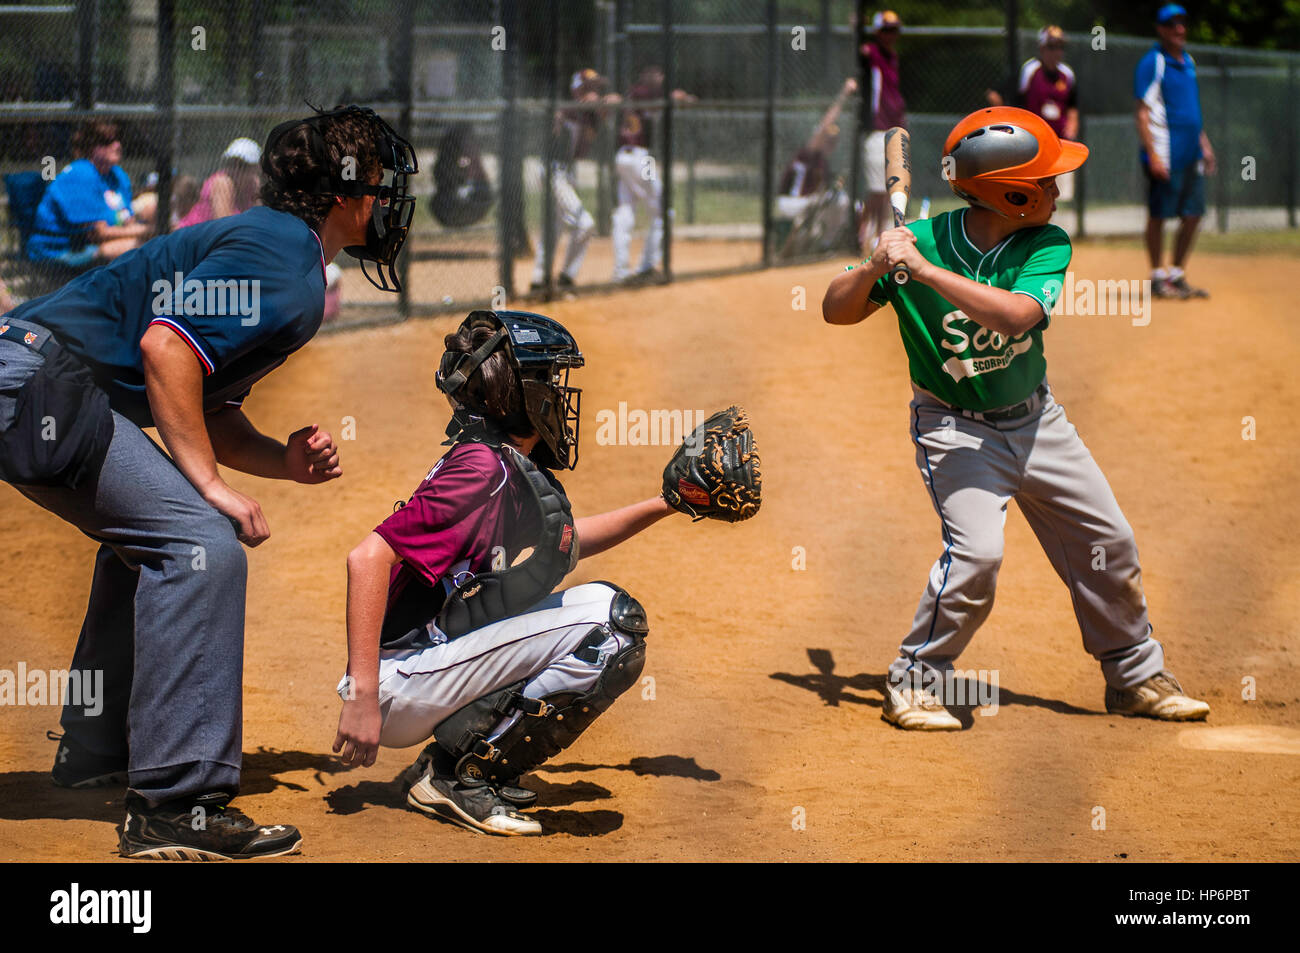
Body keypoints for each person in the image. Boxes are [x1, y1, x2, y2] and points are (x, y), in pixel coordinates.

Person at [0, 104, 418, 859]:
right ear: (343, 194)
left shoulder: (283, 251)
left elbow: (204, 403)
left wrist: (278, 460)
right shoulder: (287, 256)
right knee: (201, 545)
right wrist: (214, 492)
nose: (388, 203)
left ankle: (101, 746)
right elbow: (167, 352)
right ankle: (176, 805)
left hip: (40, 381)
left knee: (159, 531)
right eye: (380, 186)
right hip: (41, 385)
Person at [822, 106, 1210, 731]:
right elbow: (834, 312)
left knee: (1107, 543)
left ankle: (1135, 676)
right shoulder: (916, 241)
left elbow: (1014, 317)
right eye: (1047, 181)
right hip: (955, 428)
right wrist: (875, 266)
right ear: (1011, 191)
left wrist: (922, 271)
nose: (1057, 191)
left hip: (1037, 422)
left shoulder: (1043, 242)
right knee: (975, 557)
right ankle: (915, 681)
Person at [333, 309, 682, 836]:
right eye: (550, 380)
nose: (561, 397)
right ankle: (457, 777)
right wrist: (361, 696)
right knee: (612, 627)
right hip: (396, 680)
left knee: (596, 611)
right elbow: (368, 558)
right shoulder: (481, 471)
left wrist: (668, 502)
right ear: (520, 394)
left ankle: (450, 767)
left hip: (428, 657)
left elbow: (569, 543)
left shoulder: (501, 466)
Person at [1134, 3, 1215, 299]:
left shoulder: (1188, 62)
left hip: (1191, 152)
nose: (1179, 29)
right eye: (1172, 24)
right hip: (1165, 153)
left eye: (1182, 23)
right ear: (1161, 29)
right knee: (1159, 215)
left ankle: (1177, 274)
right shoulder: (1154, 62)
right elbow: (1142, 112)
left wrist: (1205, 145)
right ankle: (1157, 277)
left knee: (1193, 214)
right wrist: (1153, 154)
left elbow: (1192, 112)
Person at [530, 69, 620, 294]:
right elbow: (559, 117)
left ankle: (539, 280)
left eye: (597, 88)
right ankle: (566, 278)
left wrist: (607, 103)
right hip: (553, 172)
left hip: (565, 174)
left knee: (554, 228)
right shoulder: (571, 109)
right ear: (577, 90)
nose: (595, 92)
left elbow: (613, 104)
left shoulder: (591, 115)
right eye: (589, 87)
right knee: (585, 223)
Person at [27, 119, 155, 267]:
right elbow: (98, 235)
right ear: (90, 147)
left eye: (118, 139)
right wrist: (150, 230)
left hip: (98, 248)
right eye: (107, 142)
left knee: (152, 244)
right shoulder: (80, 174)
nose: (117, 145)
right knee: (138, 247)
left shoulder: (117, 176)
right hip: (60, 253)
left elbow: (128, 222)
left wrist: (153, 232)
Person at [611, 64, 695, 284]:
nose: (660, 76)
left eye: (660, 72)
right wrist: (676, 97)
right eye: (655, 73)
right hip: (641, 158)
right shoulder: (642, 92)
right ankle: (646, 267)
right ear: (644, 74)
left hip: (623, 157)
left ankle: (620, 272)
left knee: (625, 212)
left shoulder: (639, 94)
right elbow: (662, 98)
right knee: (664, 213)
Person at [987, 25, 1080, 203]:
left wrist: (1072, 126)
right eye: (1052, 47)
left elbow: (1072, 106)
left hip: (1059, 141)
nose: (1057, 52)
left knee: (1059, 194)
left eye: (1060, 47)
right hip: (1032, 142)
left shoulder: (1067, 74)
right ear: (1042, 48)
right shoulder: (1029, 70)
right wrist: (1010, 123)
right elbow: (996, 94)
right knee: (1033, 189)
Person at [775, 78, 857, 257]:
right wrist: (844, 94)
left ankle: (812, 242)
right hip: (795, 201)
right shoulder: (811, 151)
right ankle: (823, 243)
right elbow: (826, 123)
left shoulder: (821, 160)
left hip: (799, 202)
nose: (831, 142)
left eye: (833, 140)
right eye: (828, 138)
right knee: (840, 200)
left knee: (832, 198)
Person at [857, 9, 907, 252]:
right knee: (877, 188)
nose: (891, 35)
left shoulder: (892, 57)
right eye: (886, 30)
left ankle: (878, 235)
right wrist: (855, 28)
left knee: (889, 188)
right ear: (877, 32)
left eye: (894, 30)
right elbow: (858, 52)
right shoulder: (872, 52)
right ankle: (863, 232)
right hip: (876, 129)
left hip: (893, 128)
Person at [175, 137, 263, 229]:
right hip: (189, 237)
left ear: (256, 169)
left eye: (242, 166)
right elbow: (226, 228)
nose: (235, 170)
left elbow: (261, 219)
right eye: (231, 164)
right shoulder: (222, 182)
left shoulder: (253, 184)